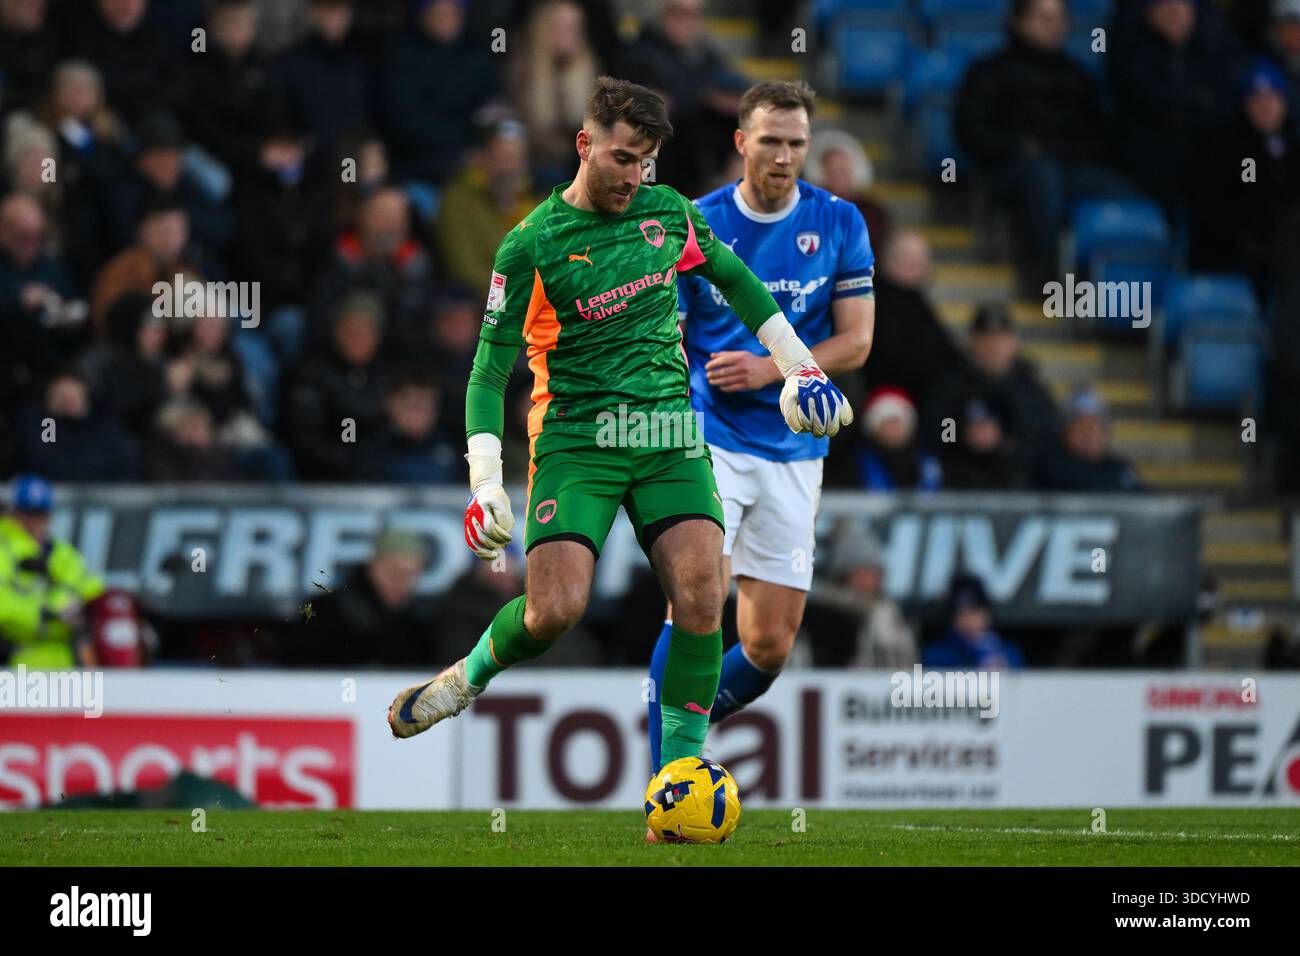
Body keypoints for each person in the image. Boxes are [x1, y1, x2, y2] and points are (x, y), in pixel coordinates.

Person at [386, 79, 854, 804]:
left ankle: (679, 783)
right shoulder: (531, 243)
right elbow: (488, 371)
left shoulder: (667, 214)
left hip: (669, 433)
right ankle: (465, 677)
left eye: (645, 162)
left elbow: (739, 282)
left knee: (703, 595)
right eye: (623, 158)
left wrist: (798, 369)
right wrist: (483, 482)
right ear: (584, 145)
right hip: (579, 442)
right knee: (554, 611)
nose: (634, 177)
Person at [644, 79, 875, 771]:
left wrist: (771, 369)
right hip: (708, 438)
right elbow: (665, 334)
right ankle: (667, 782)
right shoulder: (697, 222)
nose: (784, 156)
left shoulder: (839, 222)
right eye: (771, 141)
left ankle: (676, 718)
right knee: (696, 608)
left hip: (795, 449)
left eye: (797, 143)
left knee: (770, 646)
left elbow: (857, 341)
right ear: (742, 142)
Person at [955, 0, 1134, 290]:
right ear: (1019, 22)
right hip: (1008, 169)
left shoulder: (1078, 75)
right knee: (1041, 175)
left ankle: (1126, 285)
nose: (1054, 26)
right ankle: (1048, 276)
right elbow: (970, 130)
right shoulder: (989, 70)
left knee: (1127, 195)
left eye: (1059, 19)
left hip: (1072, 167)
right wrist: (1019, 147)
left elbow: (1099, 136)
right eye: (1044, 18)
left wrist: (1061, 151)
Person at [279, 530, 439, 668]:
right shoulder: (326, 612)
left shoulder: (414, 628)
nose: (400, 580)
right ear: (373, 565)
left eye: (411, 574)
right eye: (394, 569)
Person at [0, 474, 105, 669]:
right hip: (16, 660)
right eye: (27, 513)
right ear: (12, 512)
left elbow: (89, 586)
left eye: (41, 513)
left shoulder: (62, 553)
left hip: (68, 661)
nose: (34, 521)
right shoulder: (3, 548)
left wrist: (74, 608)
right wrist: (45, 615)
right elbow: (3, 605)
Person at [434, 117, 537, 295]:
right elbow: (465, 269)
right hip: (488, 303)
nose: (510, 168)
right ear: (483, 158)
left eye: (516, 158)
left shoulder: (533, 200)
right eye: (502, 157)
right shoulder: (459, 200)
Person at [1038, 385, 1145, 491]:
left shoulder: (1119, 467)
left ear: (1105, 432)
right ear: (1066, 432)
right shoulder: (1052, 467)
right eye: (1081, 428)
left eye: (1093, 427)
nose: (1088, 435)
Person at [923, 572, 1025, 670]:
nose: (969, 621)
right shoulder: (937, 654)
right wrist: (975, 657)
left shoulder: (1008, 652)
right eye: (962, 615)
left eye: (974, 613)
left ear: (987, 615)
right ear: (952, 619)